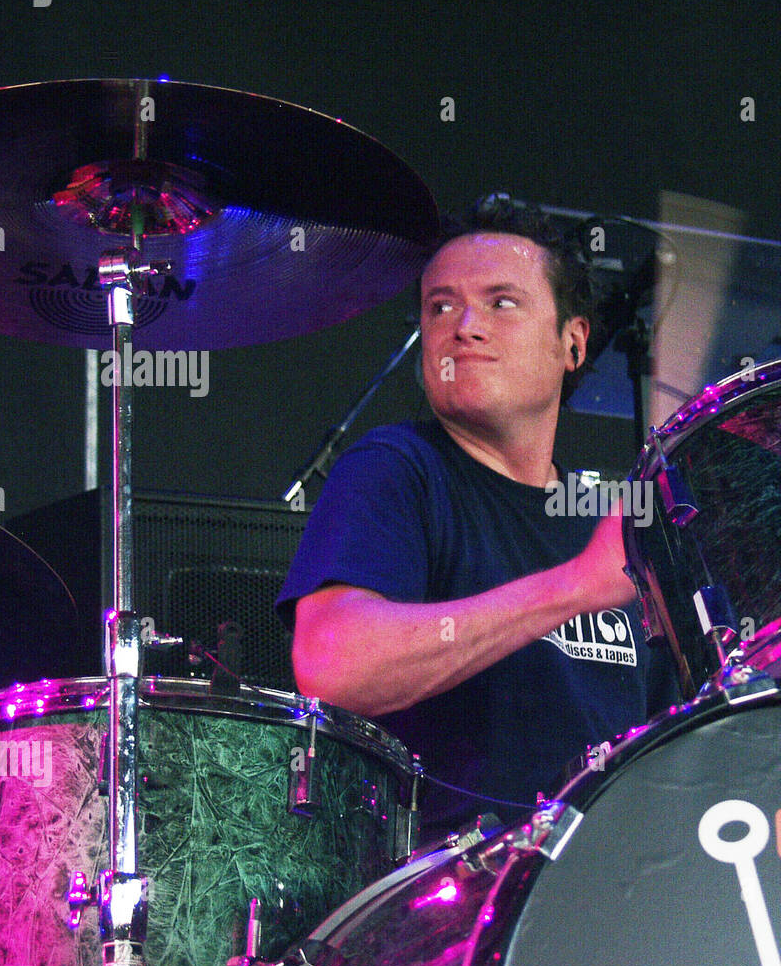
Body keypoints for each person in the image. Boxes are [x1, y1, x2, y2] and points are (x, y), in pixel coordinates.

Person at [276, 196, 677, 838]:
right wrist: (574, 588)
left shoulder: (605, 517)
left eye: (502, 302)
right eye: (441, 306)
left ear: (572, 343)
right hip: (448, 899)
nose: (464, 325)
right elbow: (333, 662)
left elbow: (678, 745)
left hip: (611, 883)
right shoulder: (395, 467)